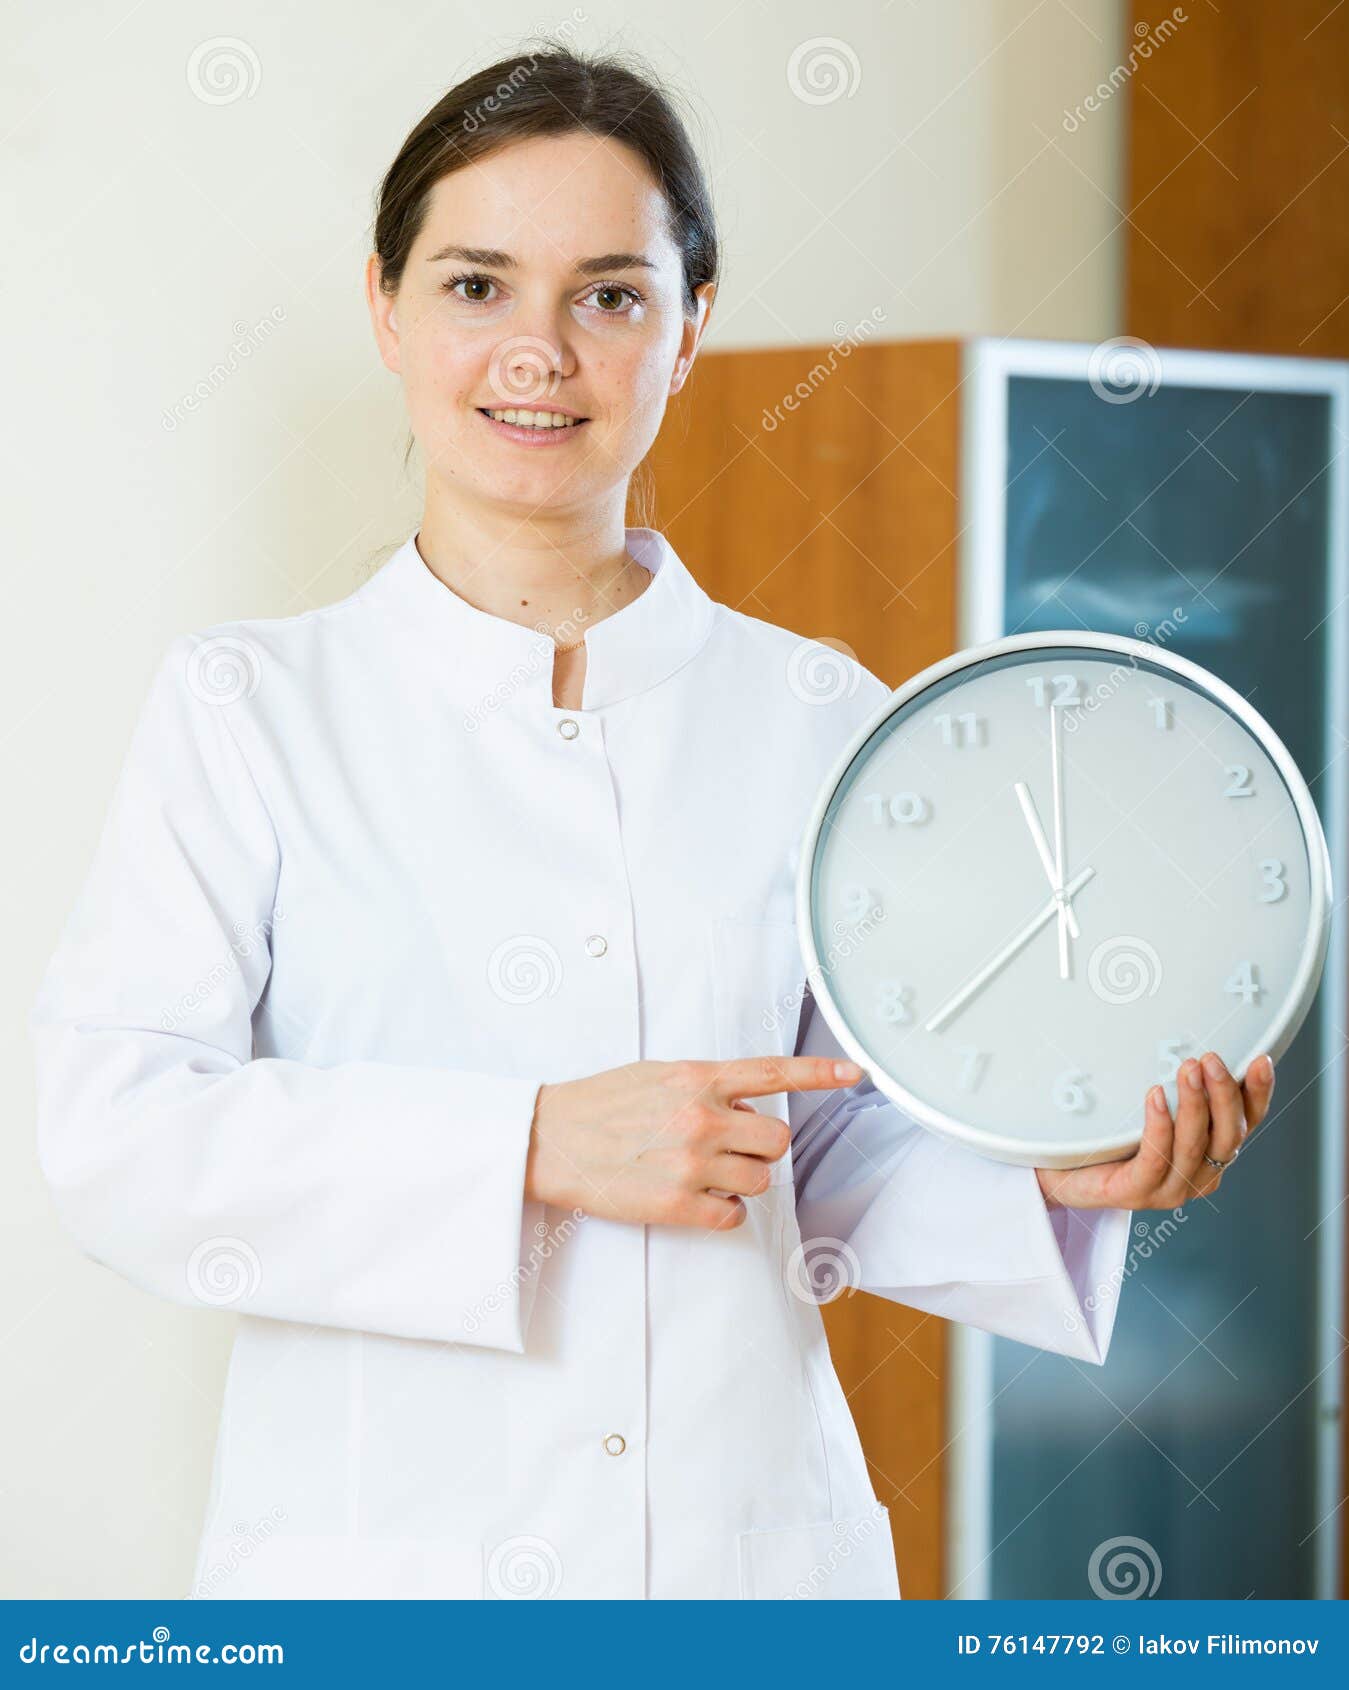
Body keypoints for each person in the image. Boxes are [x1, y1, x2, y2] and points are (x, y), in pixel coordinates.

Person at [28, 44, 1275, 1602]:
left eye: (610, 295)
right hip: (379, 1576)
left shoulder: (822, 714)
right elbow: (116, 1136)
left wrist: (1057, 1174)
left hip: (745, 1560)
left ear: (690, 328)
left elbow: (822, 1139)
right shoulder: (248, 708)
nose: (537, 350)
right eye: (476, 285)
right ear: (386, 307)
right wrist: (532, 1144)